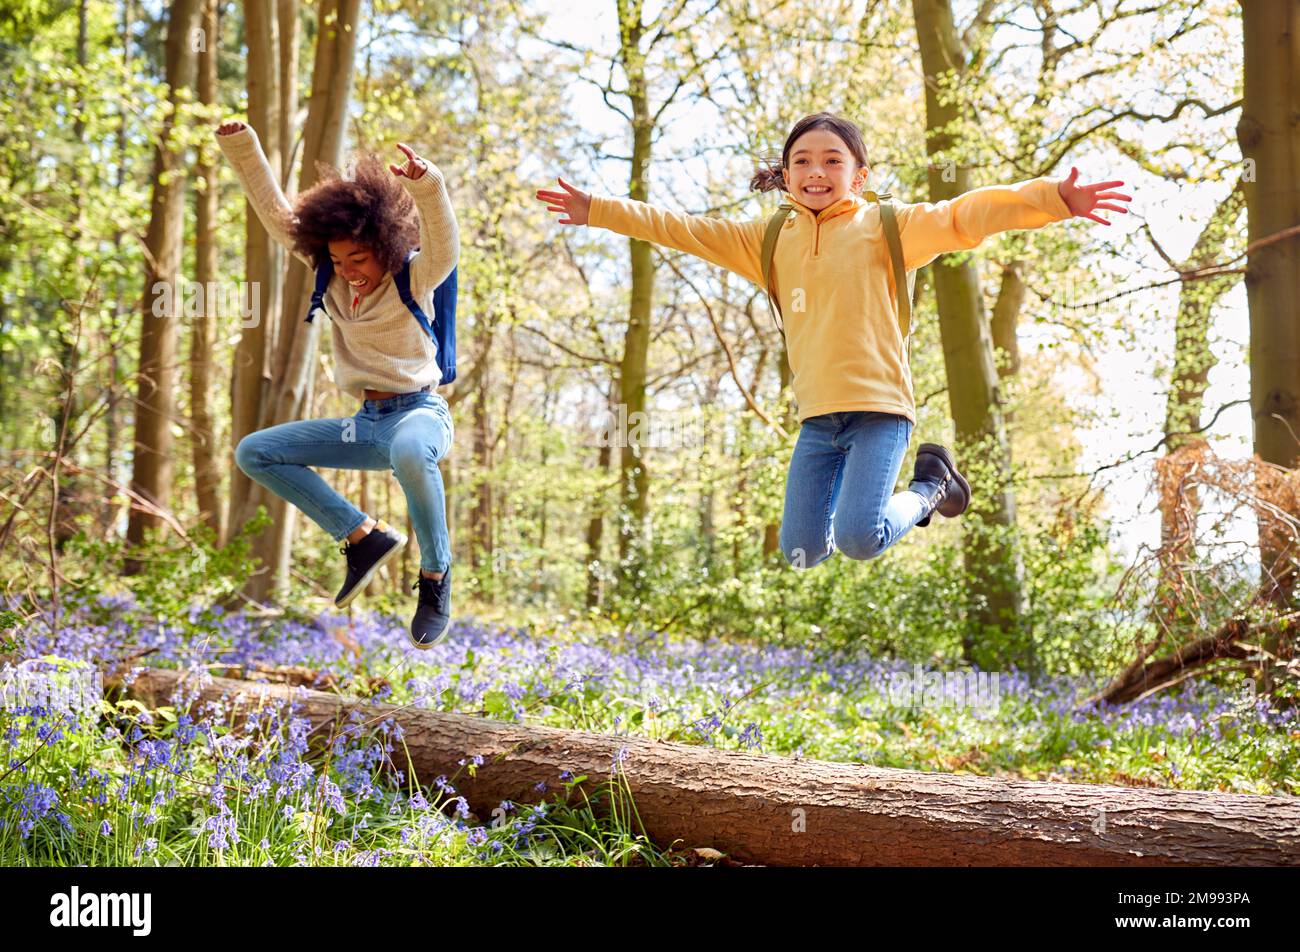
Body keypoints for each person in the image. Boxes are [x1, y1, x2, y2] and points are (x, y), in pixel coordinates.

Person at [536, 111, 1130, 569]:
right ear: (787, 173)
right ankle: (908, 492)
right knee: (802, 553)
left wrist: (1052, 199)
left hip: (881, 412)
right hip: (818, 419)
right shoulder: (766, 240)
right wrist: (600, 210)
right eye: (802, 161)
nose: (816, 172)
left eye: (831, 161)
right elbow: (684, 229)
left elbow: (964, 215)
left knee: (858, 539)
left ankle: (931, 487)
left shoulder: (889, 226)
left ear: (858, 174)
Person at [216, 120, 459, 647]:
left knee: (415, 452)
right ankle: (362, 537)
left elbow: (446, 247)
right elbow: (279, 215)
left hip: (418, 415)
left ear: (385, 247)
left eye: (359, 259)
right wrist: (243, 145)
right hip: (364, 429)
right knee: (255, 452)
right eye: (339, 261)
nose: (349, 271)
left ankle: (435, 578)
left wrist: (427, 183)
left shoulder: (413, 278)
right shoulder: (329, 277)